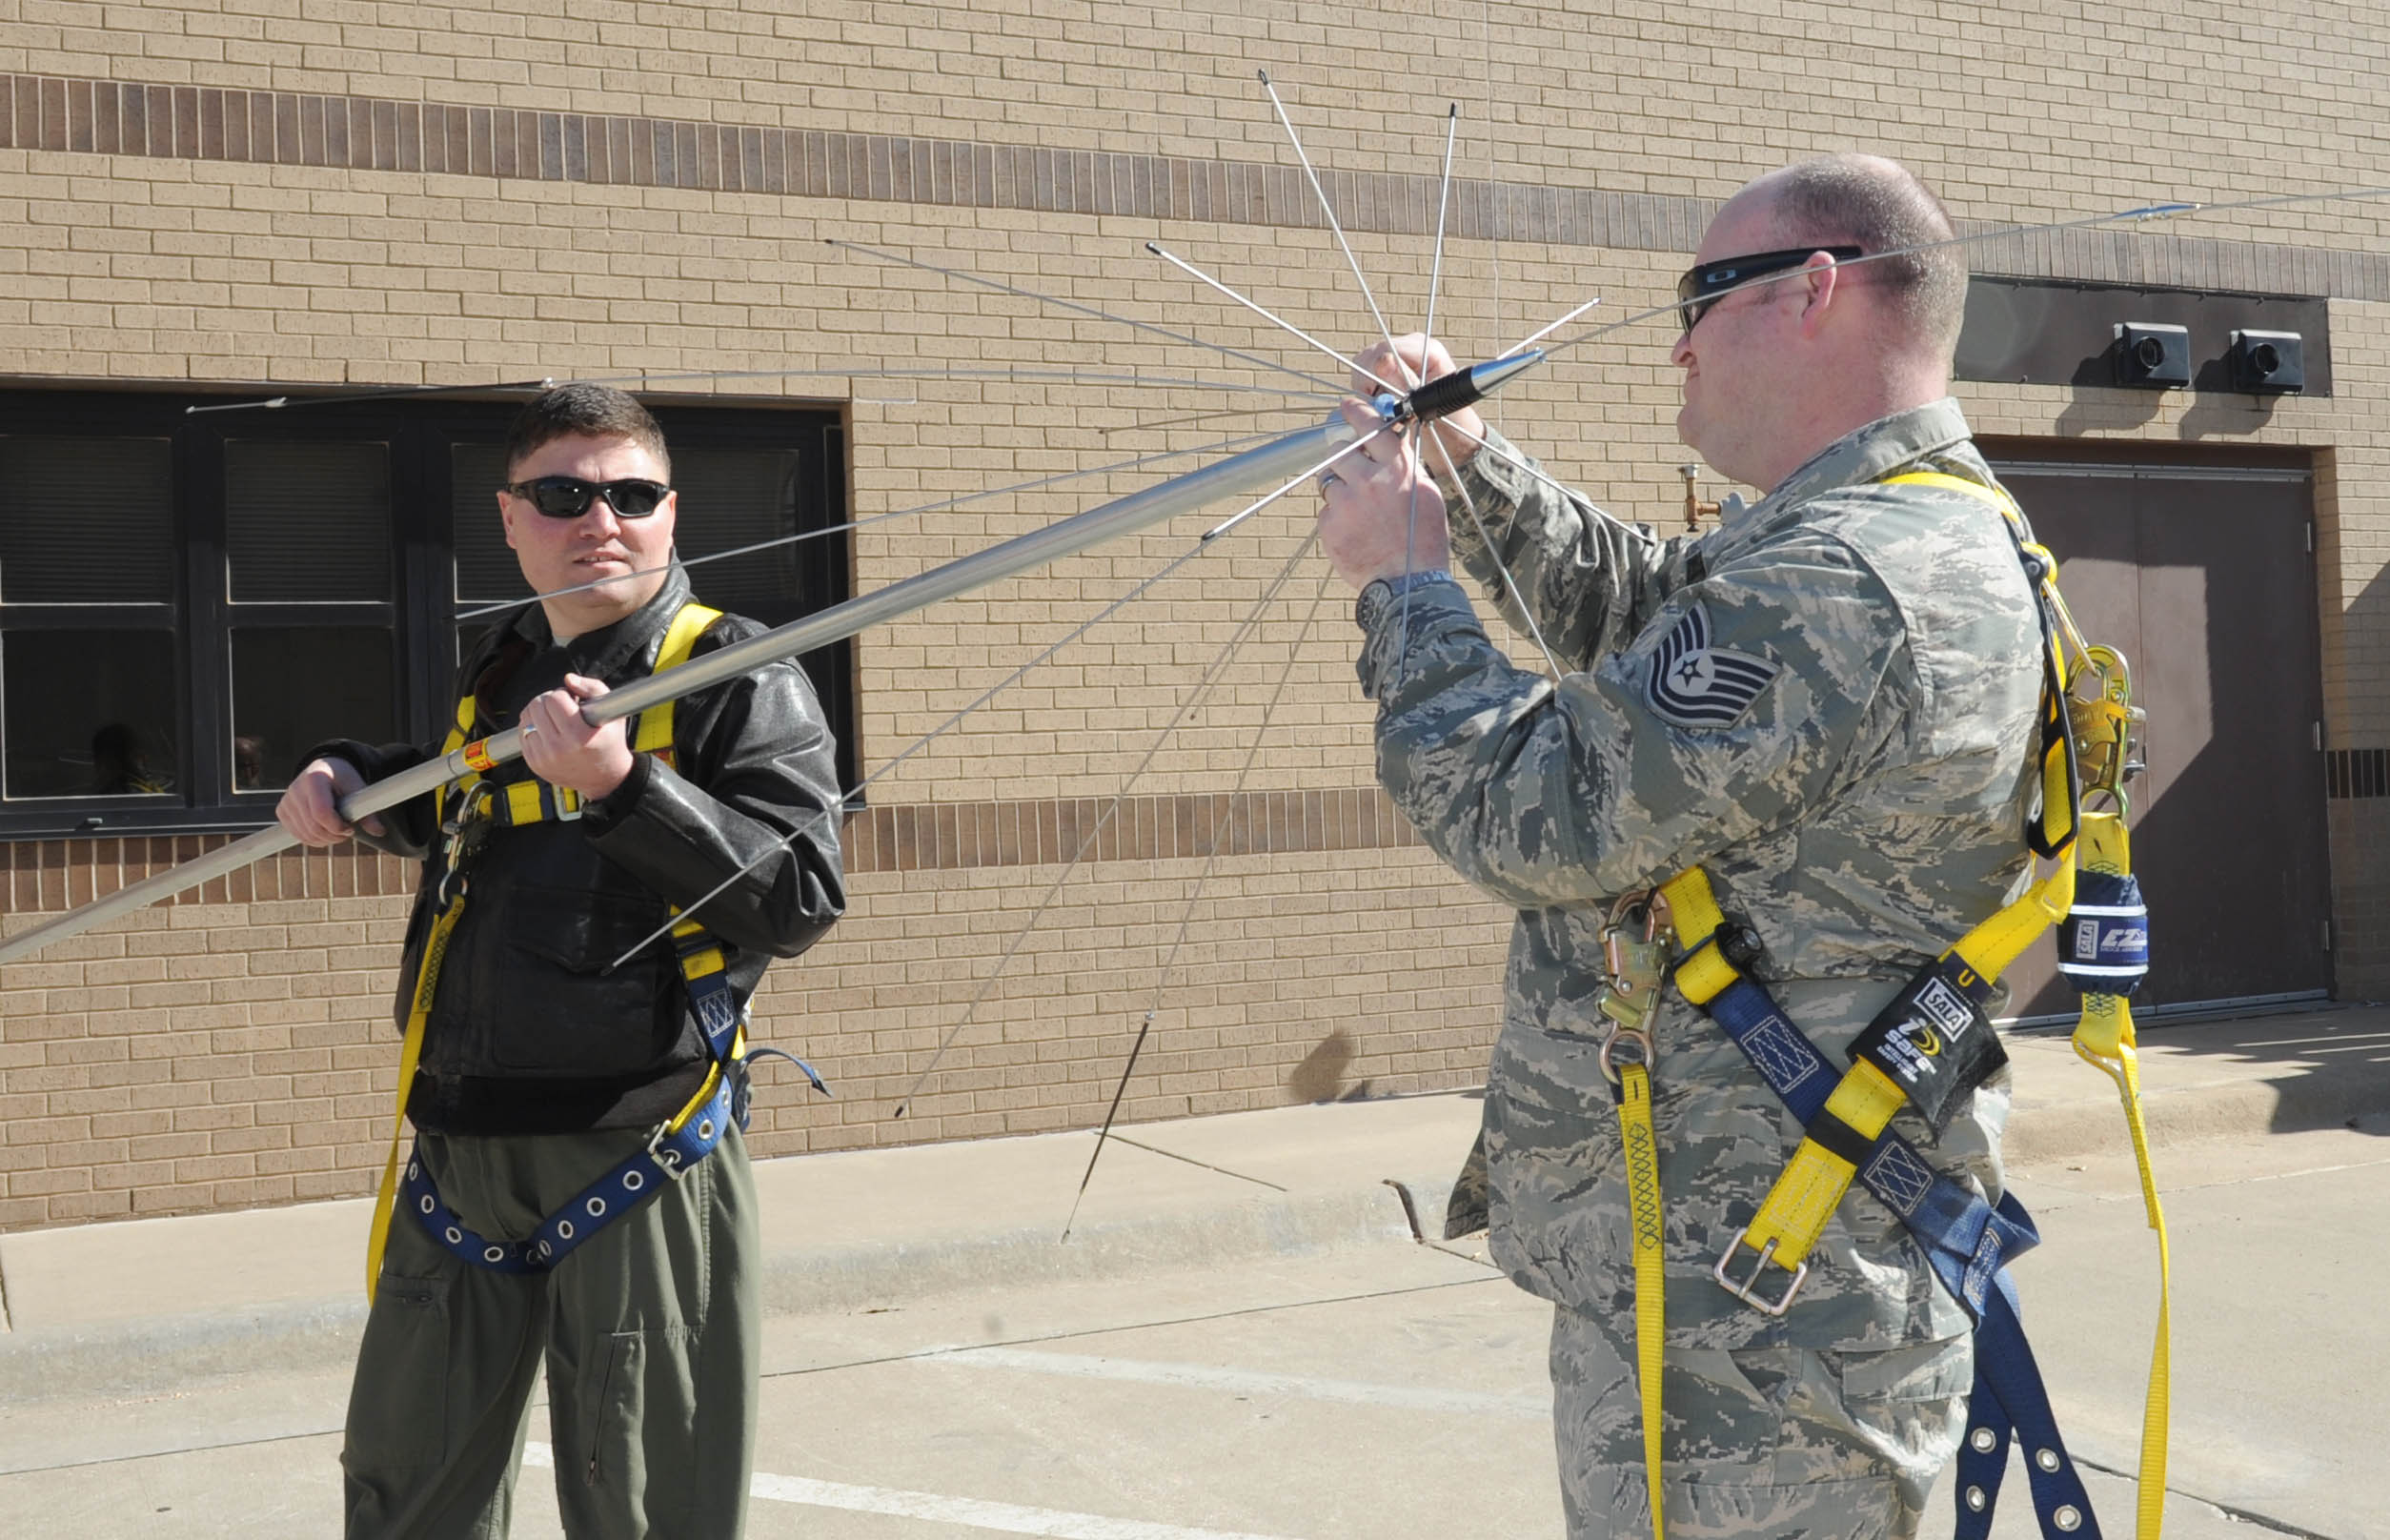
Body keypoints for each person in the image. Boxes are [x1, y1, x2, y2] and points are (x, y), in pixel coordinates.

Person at [1316, 154, 2039, 1537]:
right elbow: (1664, 614)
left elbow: (1533, 815)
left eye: (1702, 295)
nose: (1678, 342)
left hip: (1756, 1332)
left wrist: (1407, 587)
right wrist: (1471, 469)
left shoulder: (1846, 578)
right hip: (1771, 1276)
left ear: (1815, 288)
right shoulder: (1894, 534)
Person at [277, 383, 845, 1539]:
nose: (602, 519)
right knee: (404, 1485)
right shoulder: (505, 663)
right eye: (564, 493)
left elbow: (798, 894)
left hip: (639, 1145)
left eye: (631, 494)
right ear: (511, 518)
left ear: (671, 513)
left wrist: (629, 788)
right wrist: (350, 780)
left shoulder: (733, 672)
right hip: (464, 1142)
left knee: (645, 1499)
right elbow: (468, 809)